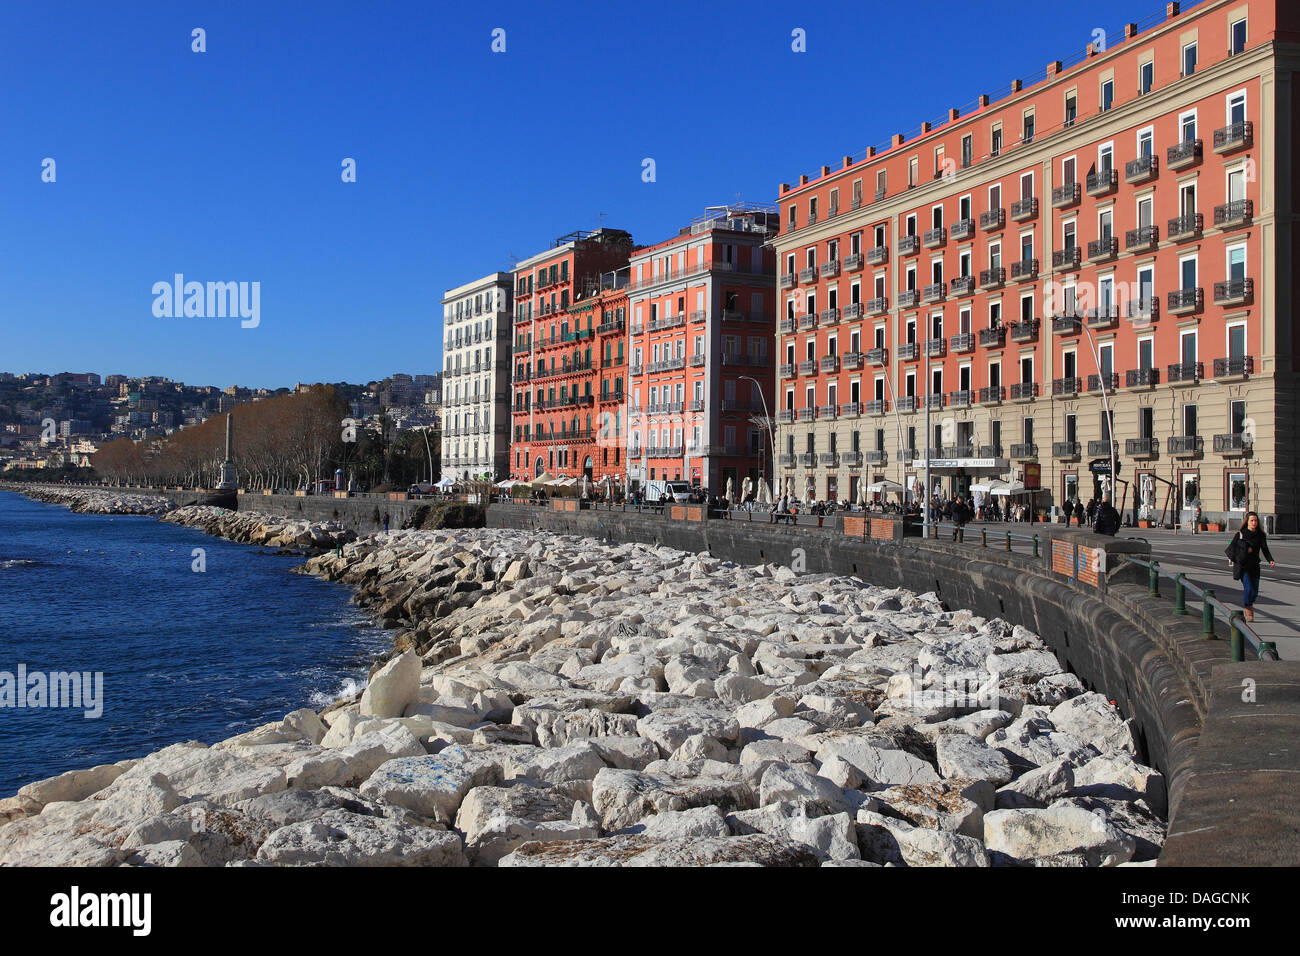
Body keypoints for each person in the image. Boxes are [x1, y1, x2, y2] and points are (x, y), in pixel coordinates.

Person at [1226, 511, 1276, 622]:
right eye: (1252, 521)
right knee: (1249, 589)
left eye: (1256, 520)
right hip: (1243, 566)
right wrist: (1244, 550)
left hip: (1255, 566)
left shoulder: (1260, 535)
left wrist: (1270, 560)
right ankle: (1248, 609)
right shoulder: (1241, 534)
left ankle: (1249, 604)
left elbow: (1265, 549)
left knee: (1254, 592)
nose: (1254, 523)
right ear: (1247, 522)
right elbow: (1232, 548)